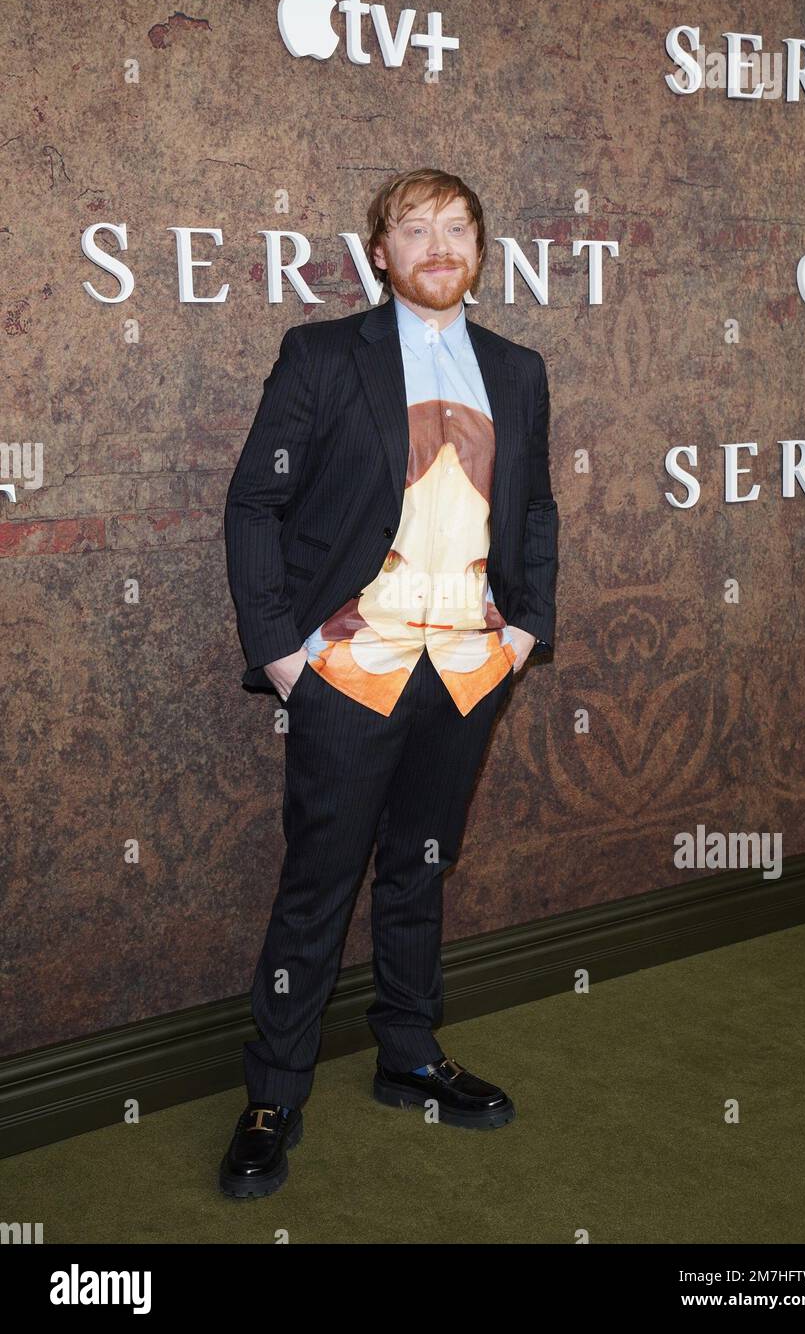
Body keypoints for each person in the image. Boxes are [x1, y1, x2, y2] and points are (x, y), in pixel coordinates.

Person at [219, 167, 558, 1199]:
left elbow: (532, 509)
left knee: (420, 864)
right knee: (318, 884)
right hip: (349, 669)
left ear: (479, 248)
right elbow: (252, 509)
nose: (437, 245)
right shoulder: (322, 356)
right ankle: (273, 1094)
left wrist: (526, 632)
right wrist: (287, 660)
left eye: (456, 227)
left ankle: (408, 1053)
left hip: (467, 669)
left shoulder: (518, 368)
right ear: (380, 251)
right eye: (414, 229)